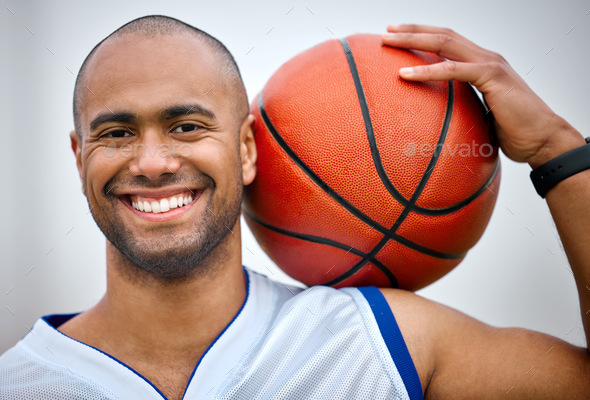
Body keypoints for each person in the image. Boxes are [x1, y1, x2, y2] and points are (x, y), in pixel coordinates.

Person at [0, 14, 588, 400]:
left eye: (186, 125)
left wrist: (557, 150)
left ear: (247, 147)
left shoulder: (381, 339)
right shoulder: (17, 384)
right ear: (79, 159)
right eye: (117, 134)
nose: (152, 161)